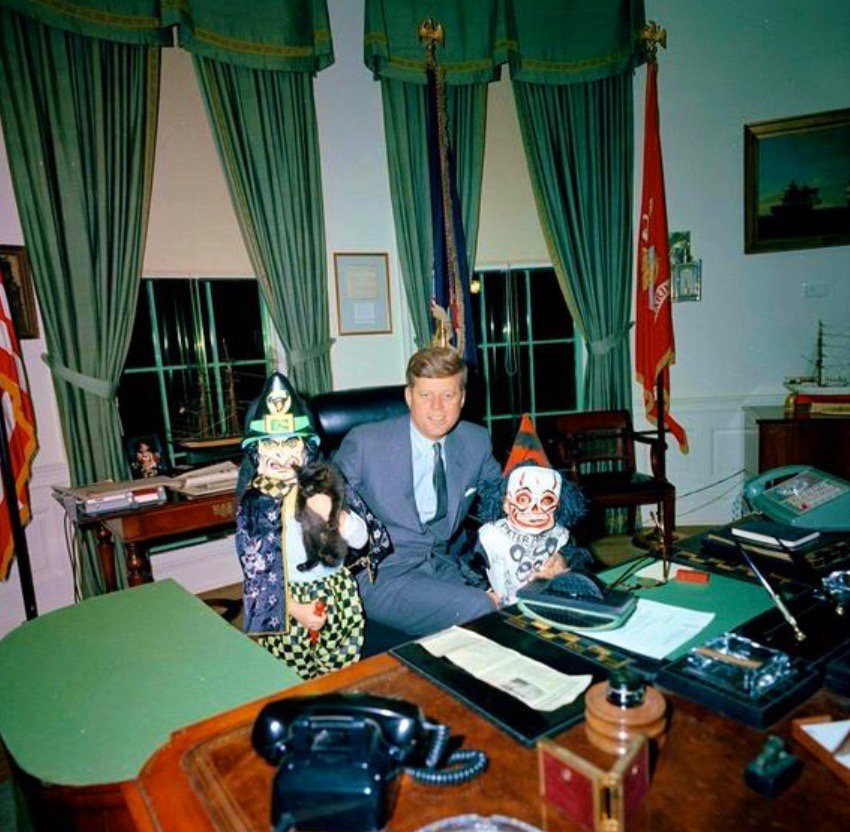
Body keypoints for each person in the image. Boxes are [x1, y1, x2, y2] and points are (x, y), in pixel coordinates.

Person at [334, 347, 502, 637]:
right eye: (426, 395)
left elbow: (506, 498)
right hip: (383, 574)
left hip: (445, 564)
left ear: (462, 398)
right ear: (409, 396)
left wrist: (550, 551)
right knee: (481, 608)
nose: (437, 408)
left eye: (448, 396)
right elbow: (322, 501)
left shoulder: (476, 441)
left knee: (521, 599)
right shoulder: (365, 443)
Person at [236, 372, 389, 678]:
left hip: (337, 592)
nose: (280, 453)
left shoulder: (327, 483)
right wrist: (295, 609)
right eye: (269, 443)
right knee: (292, 674)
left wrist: (341, 519)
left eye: (290, 441)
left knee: (340, 664)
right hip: (289, 601)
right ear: (256, 450)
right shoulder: (256, 504)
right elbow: (257, 571)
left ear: (307, 446)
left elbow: (361, 540)